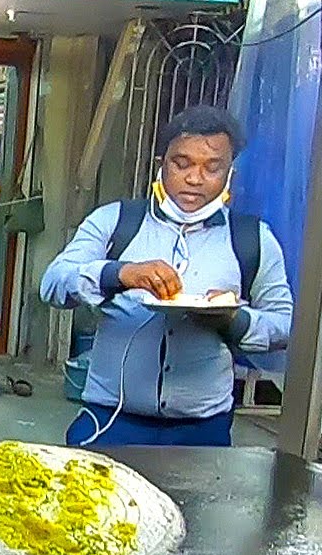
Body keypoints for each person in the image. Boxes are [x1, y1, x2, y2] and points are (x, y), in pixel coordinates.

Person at [41, 106, 293, 446]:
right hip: (109, 419)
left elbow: (285, 325)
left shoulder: (252, 239)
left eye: (212, 167)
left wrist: (232, 320)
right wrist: (119, 274)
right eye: (182, 163)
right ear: (162, 164)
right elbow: (53, 283)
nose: (194, 178)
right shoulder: (115, 221)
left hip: (203, 428)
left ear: (229, 174)